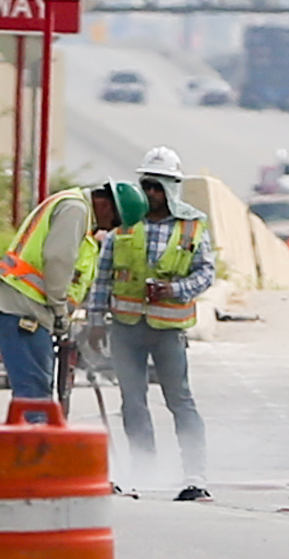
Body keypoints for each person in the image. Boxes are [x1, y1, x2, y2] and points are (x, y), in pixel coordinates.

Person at [87, 146, 216, 501]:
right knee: (132, 401)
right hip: (126, 327)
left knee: (179, 399)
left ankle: (195, 472)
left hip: (168, 329)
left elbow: (206, 273)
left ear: (172, 188)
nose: (152, 194)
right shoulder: (125, 221)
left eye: (159, 187)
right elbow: (103, 274)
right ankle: (144, 468)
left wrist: (174, 289)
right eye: (148, 185)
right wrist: (95, 320)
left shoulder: (192, 224)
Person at [0, 180, 147, 411]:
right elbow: (58, 260)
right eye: (115, 222)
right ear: (105, 205)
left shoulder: (74, 209)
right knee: (34, 396)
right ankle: (36, 444)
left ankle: (33, 442)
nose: (109, 229)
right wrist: (60, 310)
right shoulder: (76, 209)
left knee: (37, 392)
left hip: (29, 312)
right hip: (23, 311)